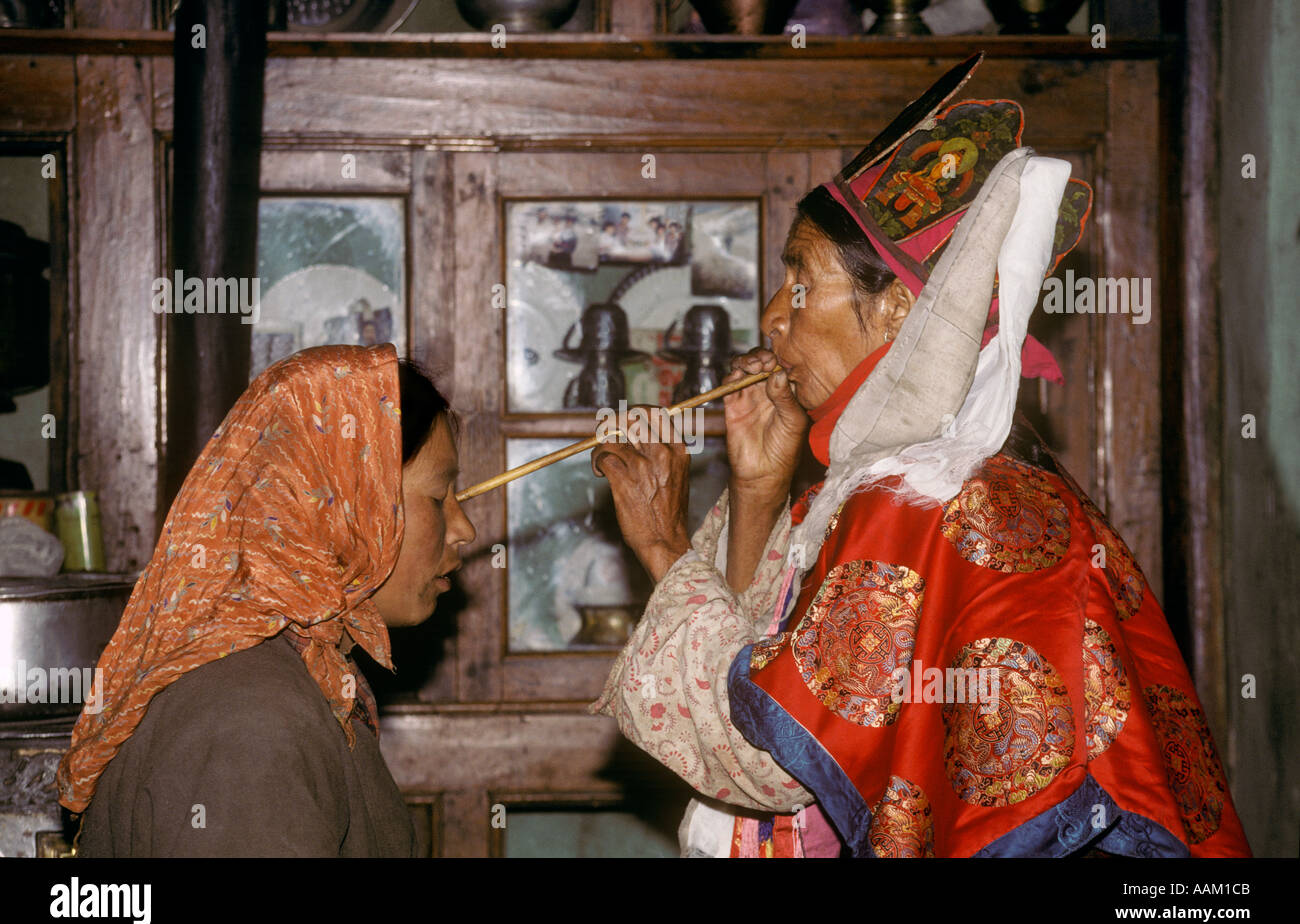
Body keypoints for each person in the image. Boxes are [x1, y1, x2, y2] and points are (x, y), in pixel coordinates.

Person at [590, 78, 1252, 858]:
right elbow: (774, 676)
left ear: (901, 311)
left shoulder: (926, 500)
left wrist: (666, 551)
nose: (772, 315)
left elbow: (768, 756)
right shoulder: (945, 483)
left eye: (800, 281)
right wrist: (760, 488)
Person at [57, 344, 475, 856]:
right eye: (438, 497)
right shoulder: (251, 721)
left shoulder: (303, 672)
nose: (464, 529)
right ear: (343, 503)